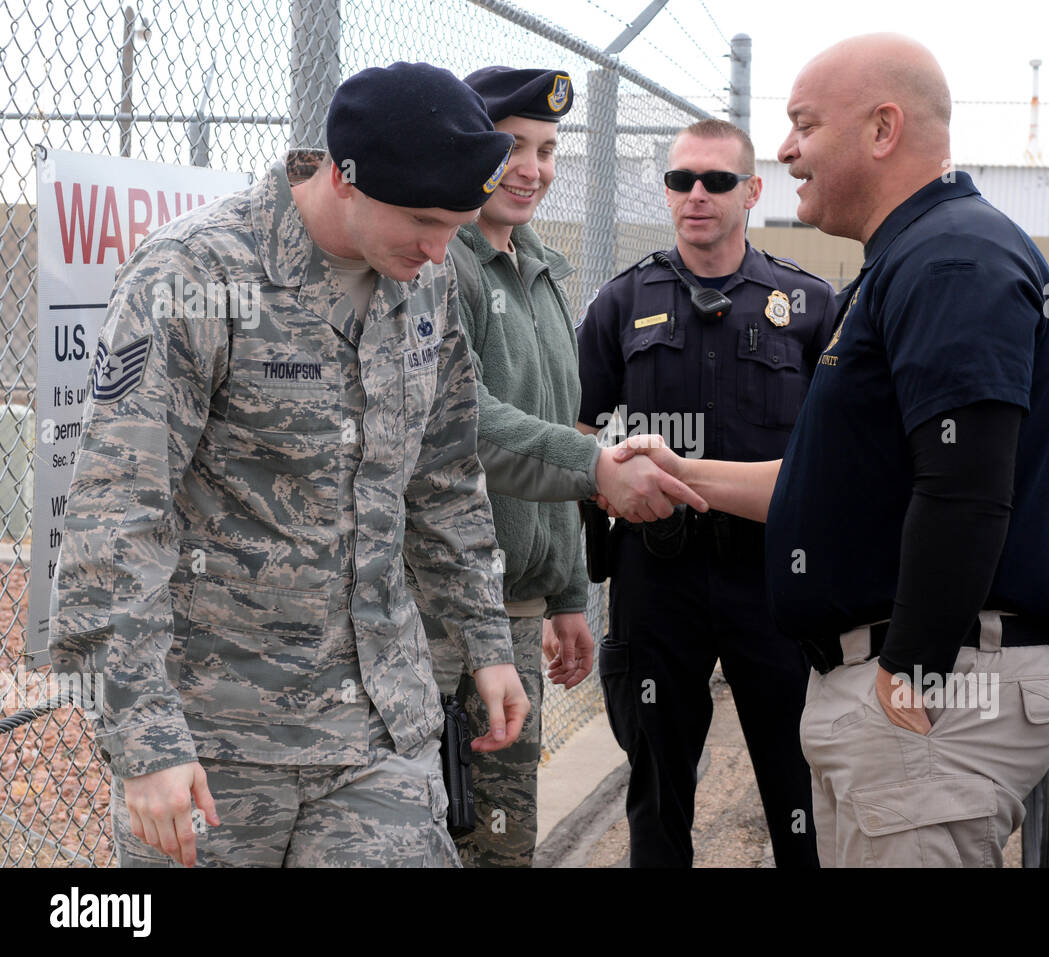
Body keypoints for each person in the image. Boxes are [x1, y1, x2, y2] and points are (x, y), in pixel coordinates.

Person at [611, 34, 1049, 868]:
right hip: (892, 694)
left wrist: (908, 672)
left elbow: (966, 487)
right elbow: (823, 485)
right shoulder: (908, 260)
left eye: (803, 125)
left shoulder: (953, 261)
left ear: (882, 128)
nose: (786, 150)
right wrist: (683, 473)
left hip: (927, 699)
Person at [47, 62, 531, 868]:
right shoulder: (195, 275)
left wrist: (486, 641)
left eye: (457, 222)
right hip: (217, 747)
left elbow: (445, 479)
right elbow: (115, 515)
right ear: (343, 177)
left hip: (381, 732)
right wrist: (145, 739)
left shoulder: (430, 284)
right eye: (420, 219)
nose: (440, 248)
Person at [427, 66, 703, 868]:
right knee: (455, 837)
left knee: (504, 839)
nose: (532, 168)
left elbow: (547, 429)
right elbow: (463, 425)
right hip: (446, 618)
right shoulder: (446, 267)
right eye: (510, 146)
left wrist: (568, 591)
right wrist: (595, 467)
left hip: (514, 610)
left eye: (546, 150)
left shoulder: (538, 271)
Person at [576, 118, 837, 868]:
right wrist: (610, 481)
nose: (697, 194)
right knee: (658, 790)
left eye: (717, 180)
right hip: (661, 577)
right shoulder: (622, 303)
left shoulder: (808, 304)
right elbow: (574, 432)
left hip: (775, 580)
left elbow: (841, 453)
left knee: (800, 789)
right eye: (681, 179)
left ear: (752, 191)